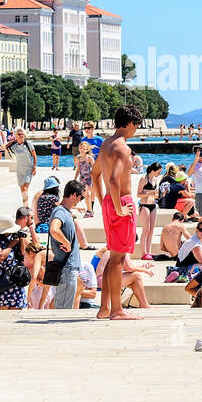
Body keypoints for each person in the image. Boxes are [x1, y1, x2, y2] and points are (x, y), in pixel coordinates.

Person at [90, 104, 144, 320]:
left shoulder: (105, 145)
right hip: (121, 202)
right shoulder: (123, 147)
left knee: (113, 256)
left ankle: (104, 309)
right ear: (130, 123)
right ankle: (117, 310)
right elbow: (113, 180)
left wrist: (103, 201)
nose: (135, 131)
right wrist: (120, 207)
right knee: (118, 259)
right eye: (136, 127)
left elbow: (95, 175)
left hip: (109, 203)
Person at [47, 180, 86, 309]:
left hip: (68, 267)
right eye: (81, 197)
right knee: (63, 308)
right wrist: (67, 243)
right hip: (67, 267)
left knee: (64, 305)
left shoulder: (64, 211)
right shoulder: (60, 212)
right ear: (74, 195)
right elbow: (54, 229)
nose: (80, 201)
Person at [0, 214, 27, 310]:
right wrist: (11, 245)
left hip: (15, 281)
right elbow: (0, 256)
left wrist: (20, 239)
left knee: (17, 312)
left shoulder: (11, 237)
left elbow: (23, 253)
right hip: (0, 283)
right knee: (2, 315)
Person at [137, 162, 162, 260]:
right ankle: (144, 253)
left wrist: (157, 194)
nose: (159, 174)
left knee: (151, 230)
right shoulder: (144, 179)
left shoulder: (155, 179)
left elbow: (154, 194)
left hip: (153, 205)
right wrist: (148, 193)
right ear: (153, 171)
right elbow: (138, 194)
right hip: (144, 205)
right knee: (146, 229)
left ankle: (149, 251)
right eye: (158, 172)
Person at [9, 128, 38, 206]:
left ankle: (26, 208)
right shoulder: (14, 146)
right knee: (22, 191)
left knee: (25, 189)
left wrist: (34, 167)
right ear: (16, 136)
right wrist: (12, 141)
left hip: (28, 169)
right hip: (19, 171)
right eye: (19, 134)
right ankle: (26, 207)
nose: (21, 135)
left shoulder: (28, 144)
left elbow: (34, 156)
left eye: (22, 134)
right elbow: (2, 147)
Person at [74, 141, 96, 216]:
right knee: (84, 194)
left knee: (87, 194)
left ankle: (89, 211)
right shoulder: (78, 158)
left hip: (89, 178)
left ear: (86, 149)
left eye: (83, 148)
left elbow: (94, 168)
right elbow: (78, 169)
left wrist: (95, 178)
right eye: (80, 148)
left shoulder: (88, 157)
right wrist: (75, 178)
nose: (81, 150)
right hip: (82, 178)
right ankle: (90, 210)